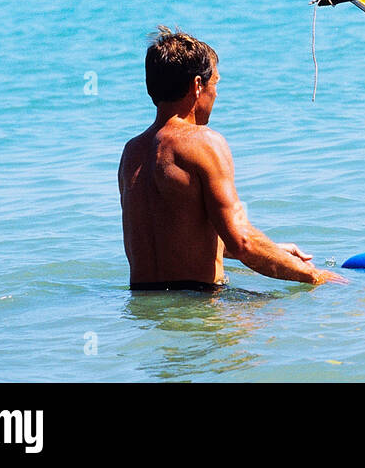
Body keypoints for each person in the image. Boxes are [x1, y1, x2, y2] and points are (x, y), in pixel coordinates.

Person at [119, 27, 344, 289]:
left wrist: (275, 252)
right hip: (201, 305)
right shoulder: (202, 142)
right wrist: (314, 276)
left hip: (144, 311)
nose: (216, 94)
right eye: (214, 83)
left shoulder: (132, 152)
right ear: (197, 86)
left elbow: (177, 238)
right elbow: (244, 243)